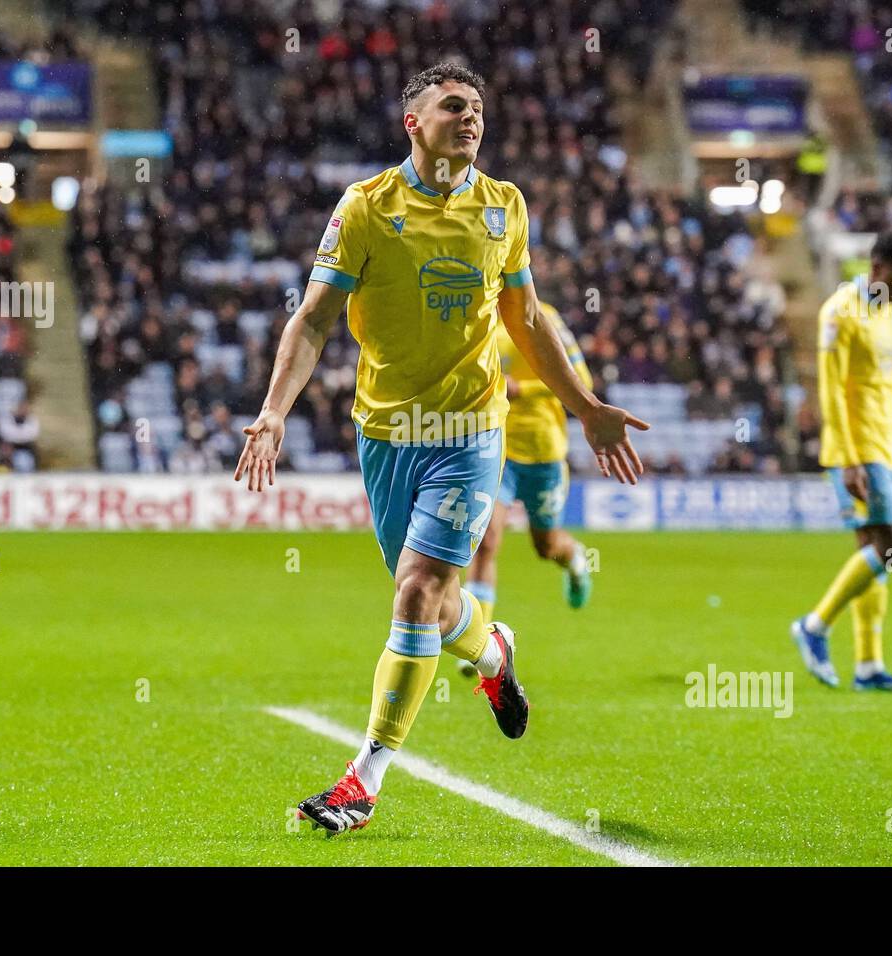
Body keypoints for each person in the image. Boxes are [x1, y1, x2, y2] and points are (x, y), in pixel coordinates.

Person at [233, 63, 648, 834]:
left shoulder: (504, 206)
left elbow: (525, 320)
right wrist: (273, 412)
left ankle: (363, 781)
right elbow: (316, 319)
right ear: (412, 124)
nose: (470, 118)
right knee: (436, 603)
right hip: (387, 434)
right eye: (453, 106)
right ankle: (493, 652)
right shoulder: (364, 209)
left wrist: (584, 406)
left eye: (478, 108)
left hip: (468, 429)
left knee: (418, 592)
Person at [791, 232, 892, 692]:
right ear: (876, 269)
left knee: (872, 555)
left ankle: (869, 666)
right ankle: (814, 626)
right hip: (854, 451)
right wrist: (850, 460)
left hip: (887, 449)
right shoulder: (838, 311)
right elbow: (830, 391)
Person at [461, 301, 594, 683]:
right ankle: (479, 643)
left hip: (545, 452)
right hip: (497, 450)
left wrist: (523, 388)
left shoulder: (544, 318)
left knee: (545, 546)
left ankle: (573, 558)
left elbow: (581, 379)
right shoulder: (479, 318)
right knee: (485, 542)